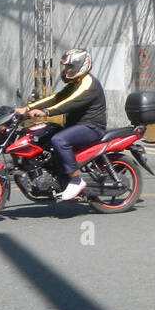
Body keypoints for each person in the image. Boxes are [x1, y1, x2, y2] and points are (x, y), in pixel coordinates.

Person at [15, 49, 107, 201]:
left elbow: (69, 103)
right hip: (76, 126)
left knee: (59, 140)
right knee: (45, 136)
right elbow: (56, 97)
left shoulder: (88, 83)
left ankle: (76, 180)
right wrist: (28, 108)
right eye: (66, 67)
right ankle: (59, 178)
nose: (67, 70)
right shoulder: (75, 83)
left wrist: (46, 112)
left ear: (82, 65)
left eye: (70, 66)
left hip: (91, 127)